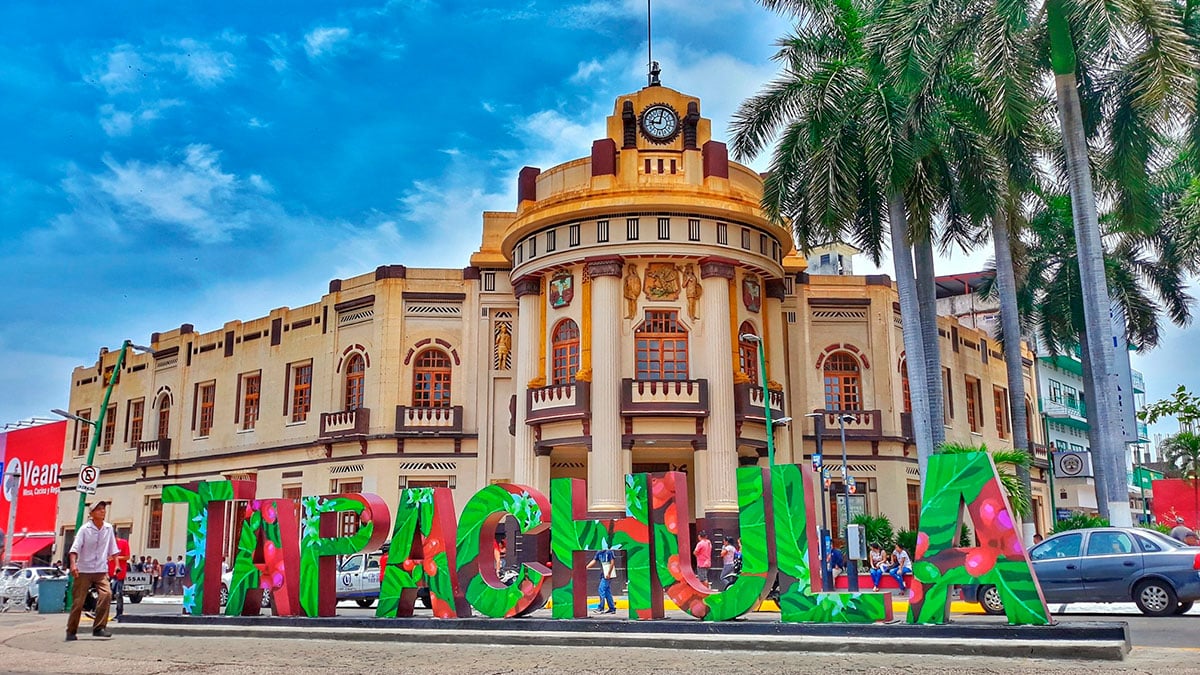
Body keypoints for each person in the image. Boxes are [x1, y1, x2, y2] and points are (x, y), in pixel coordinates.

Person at [66, 501, 119, 641]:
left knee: (107, 594)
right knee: (79, 602)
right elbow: (74, 549)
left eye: (103, 509)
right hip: (84, 570)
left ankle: (99, 628)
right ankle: (71, 630)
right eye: (99, 509)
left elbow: (113, 549)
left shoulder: (108, 528)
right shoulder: (84, 529)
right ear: (91, 513)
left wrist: (117, 565)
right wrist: (73, 565)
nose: (102, 511)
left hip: (101, 569)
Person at [587, 544, 618, 614]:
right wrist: (586, 567)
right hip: (603, 573)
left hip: (607, 574)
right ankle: (612, 608)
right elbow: (594, 560)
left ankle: (601, 608)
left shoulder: (609, 551)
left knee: (601, 589)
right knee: (607, 591)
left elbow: (612, 562)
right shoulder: (599, 552)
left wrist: (609, 573)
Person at [108, 536, 131, 620]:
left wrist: (115, 558)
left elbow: (127, 557)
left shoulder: (123, 543)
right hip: (109, 571)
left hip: (119, 573)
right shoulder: (108, 544)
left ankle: (119, 613)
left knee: (118, 594)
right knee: (106, 594)